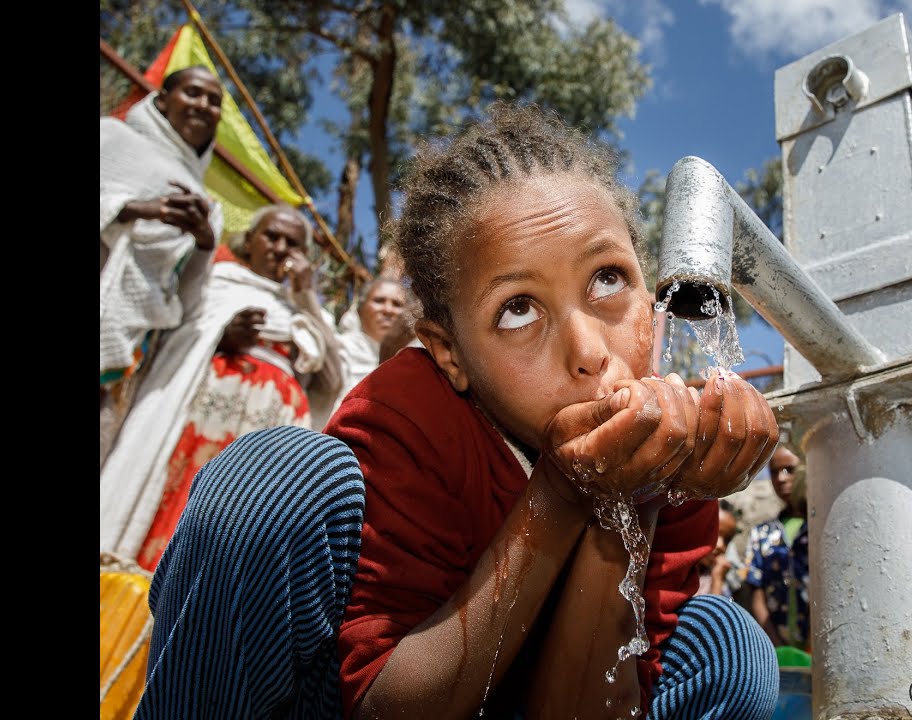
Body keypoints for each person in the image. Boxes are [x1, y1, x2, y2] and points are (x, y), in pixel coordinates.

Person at [136, 104, 782, 720]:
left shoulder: (673, 455)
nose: (589, 352)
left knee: (725, 641)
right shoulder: (413, 418)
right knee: (280, 475)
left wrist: (632, 505)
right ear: (450, 353)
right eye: (518, 310)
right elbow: (387, 707)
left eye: (608, 280)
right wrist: (559, 496)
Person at [100, 203, 344, 572]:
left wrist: (306, 295)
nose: (279, 248)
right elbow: (177, 336)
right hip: (201, 428)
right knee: (186, 503)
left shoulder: (305, 312)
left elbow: (331, 381)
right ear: (250, 241)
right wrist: (223, 335)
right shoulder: (218, 283)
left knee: (236, 520)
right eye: (271, 236)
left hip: (266, 440)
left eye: (291, 243)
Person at [100, 65, 225, 469]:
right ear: (162, 98)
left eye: (214, 101)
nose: (203, 106)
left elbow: (189, 305)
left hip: (125, 357)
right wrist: (136, 209)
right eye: (192, 93)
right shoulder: (111, 139)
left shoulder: (207, 205)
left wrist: (204, 244)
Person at [744, 445, 810, 651]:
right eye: (774, 472)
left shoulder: (822, 527)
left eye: (789, 470)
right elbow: (757, 595)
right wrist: (776, 645)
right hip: (776, 647)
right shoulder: (761, 534)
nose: (781, 478)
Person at [333, 275, 408, 405]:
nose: (388, 310)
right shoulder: (339, 349)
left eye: (397, 304)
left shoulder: (410, 363)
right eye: (379, 301)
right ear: (360, 309)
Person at [697, 500, 744, 599]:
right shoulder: (676, 575)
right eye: (714, 533)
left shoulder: (717, 575)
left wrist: (717, 580)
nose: (721, 545)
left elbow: (714, 613)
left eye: (727, 540)